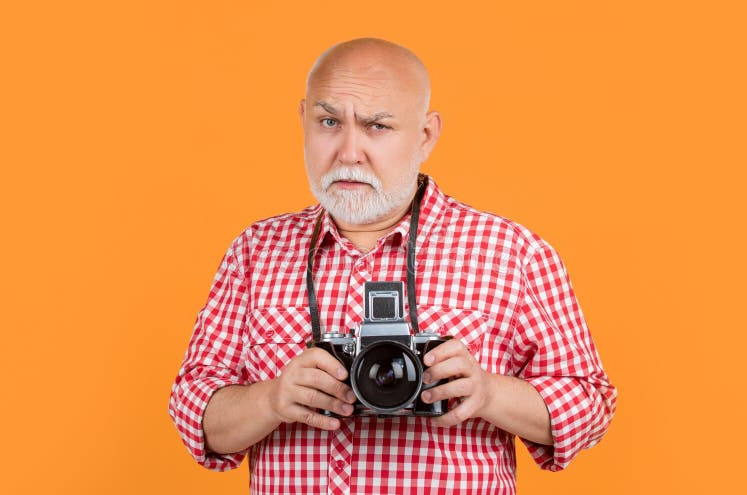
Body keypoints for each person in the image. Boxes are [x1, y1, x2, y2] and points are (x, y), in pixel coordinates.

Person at [169, 38, 616, 494]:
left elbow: (589, 410)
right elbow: (194, 415)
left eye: (377, 126)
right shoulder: (255, 251)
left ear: (426, 135)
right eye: (328, 122)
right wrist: (271, 398)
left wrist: (488, 392)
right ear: (303, 120)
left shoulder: (514, 252)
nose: (347, 151)